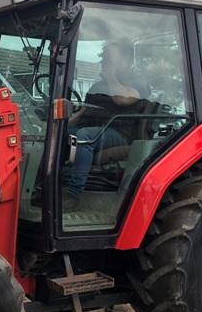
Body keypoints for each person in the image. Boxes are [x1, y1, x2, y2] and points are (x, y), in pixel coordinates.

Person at [63, 39, 149, 208]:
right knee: (58, 134)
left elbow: (122, 100)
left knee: (84, 136)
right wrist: (58, 126)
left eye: (109, 59)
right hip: (96, 131)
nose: (104, 63)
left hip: (120, 134)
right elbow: (82, 114)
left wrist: (110, 76)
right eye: (104, 59)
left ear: (126, 61)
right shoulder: (97, 87)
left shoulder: (138, 83)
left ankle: (73, 194)